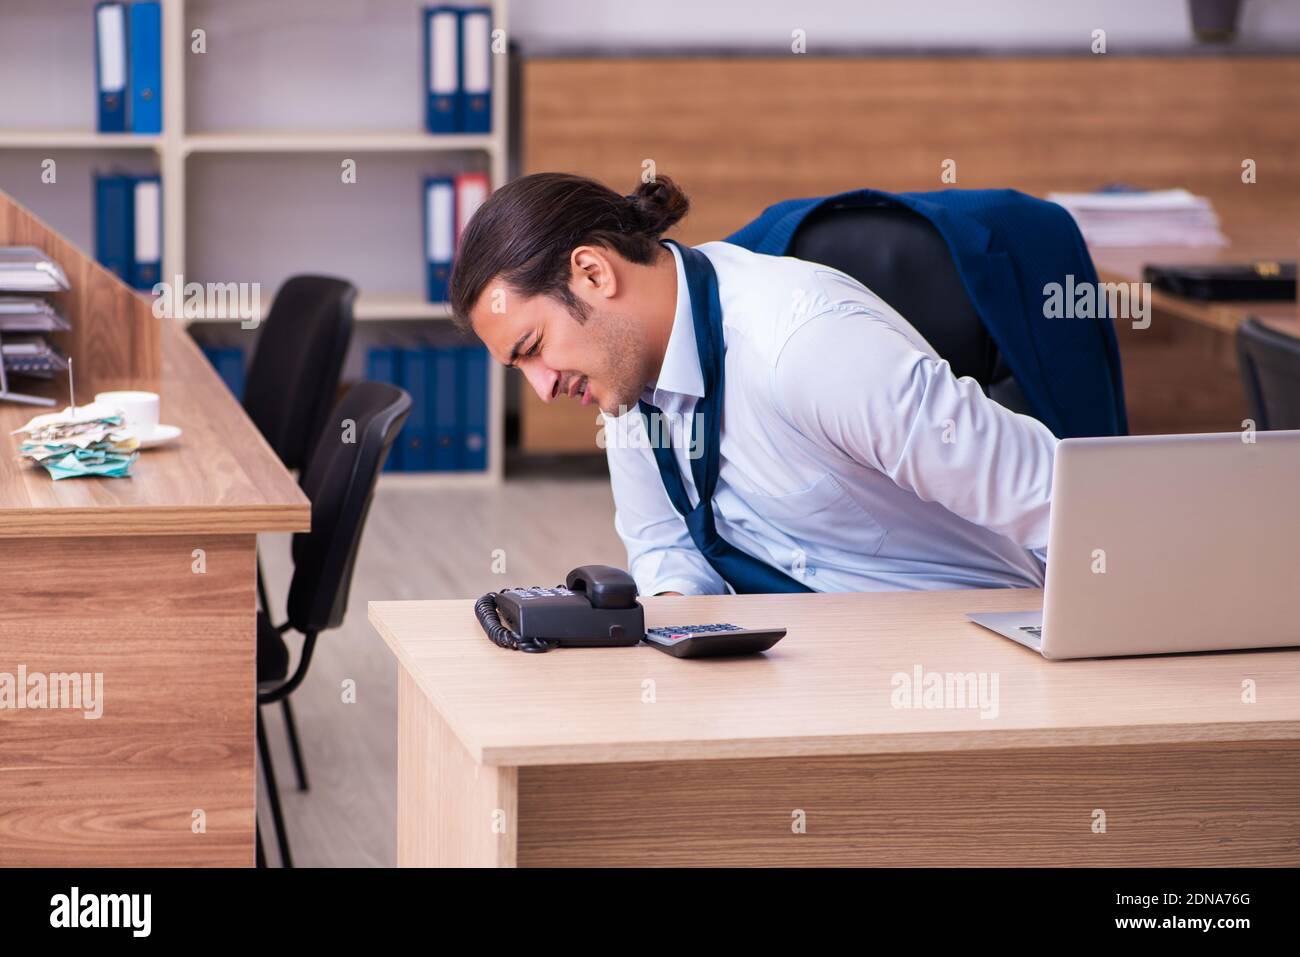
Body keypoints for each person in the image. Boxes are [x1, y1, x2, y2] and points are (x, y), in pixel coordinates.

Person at [450, 172, 1055, 595]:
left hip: (963, 644)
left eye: (533, 349)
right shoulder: (627, 380)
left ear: (592, 272)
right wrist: (682, 630)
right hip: (812, 657)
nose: (542, 388)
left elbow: (1060, 498)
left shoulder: (810, 349)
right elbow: (665, 546)